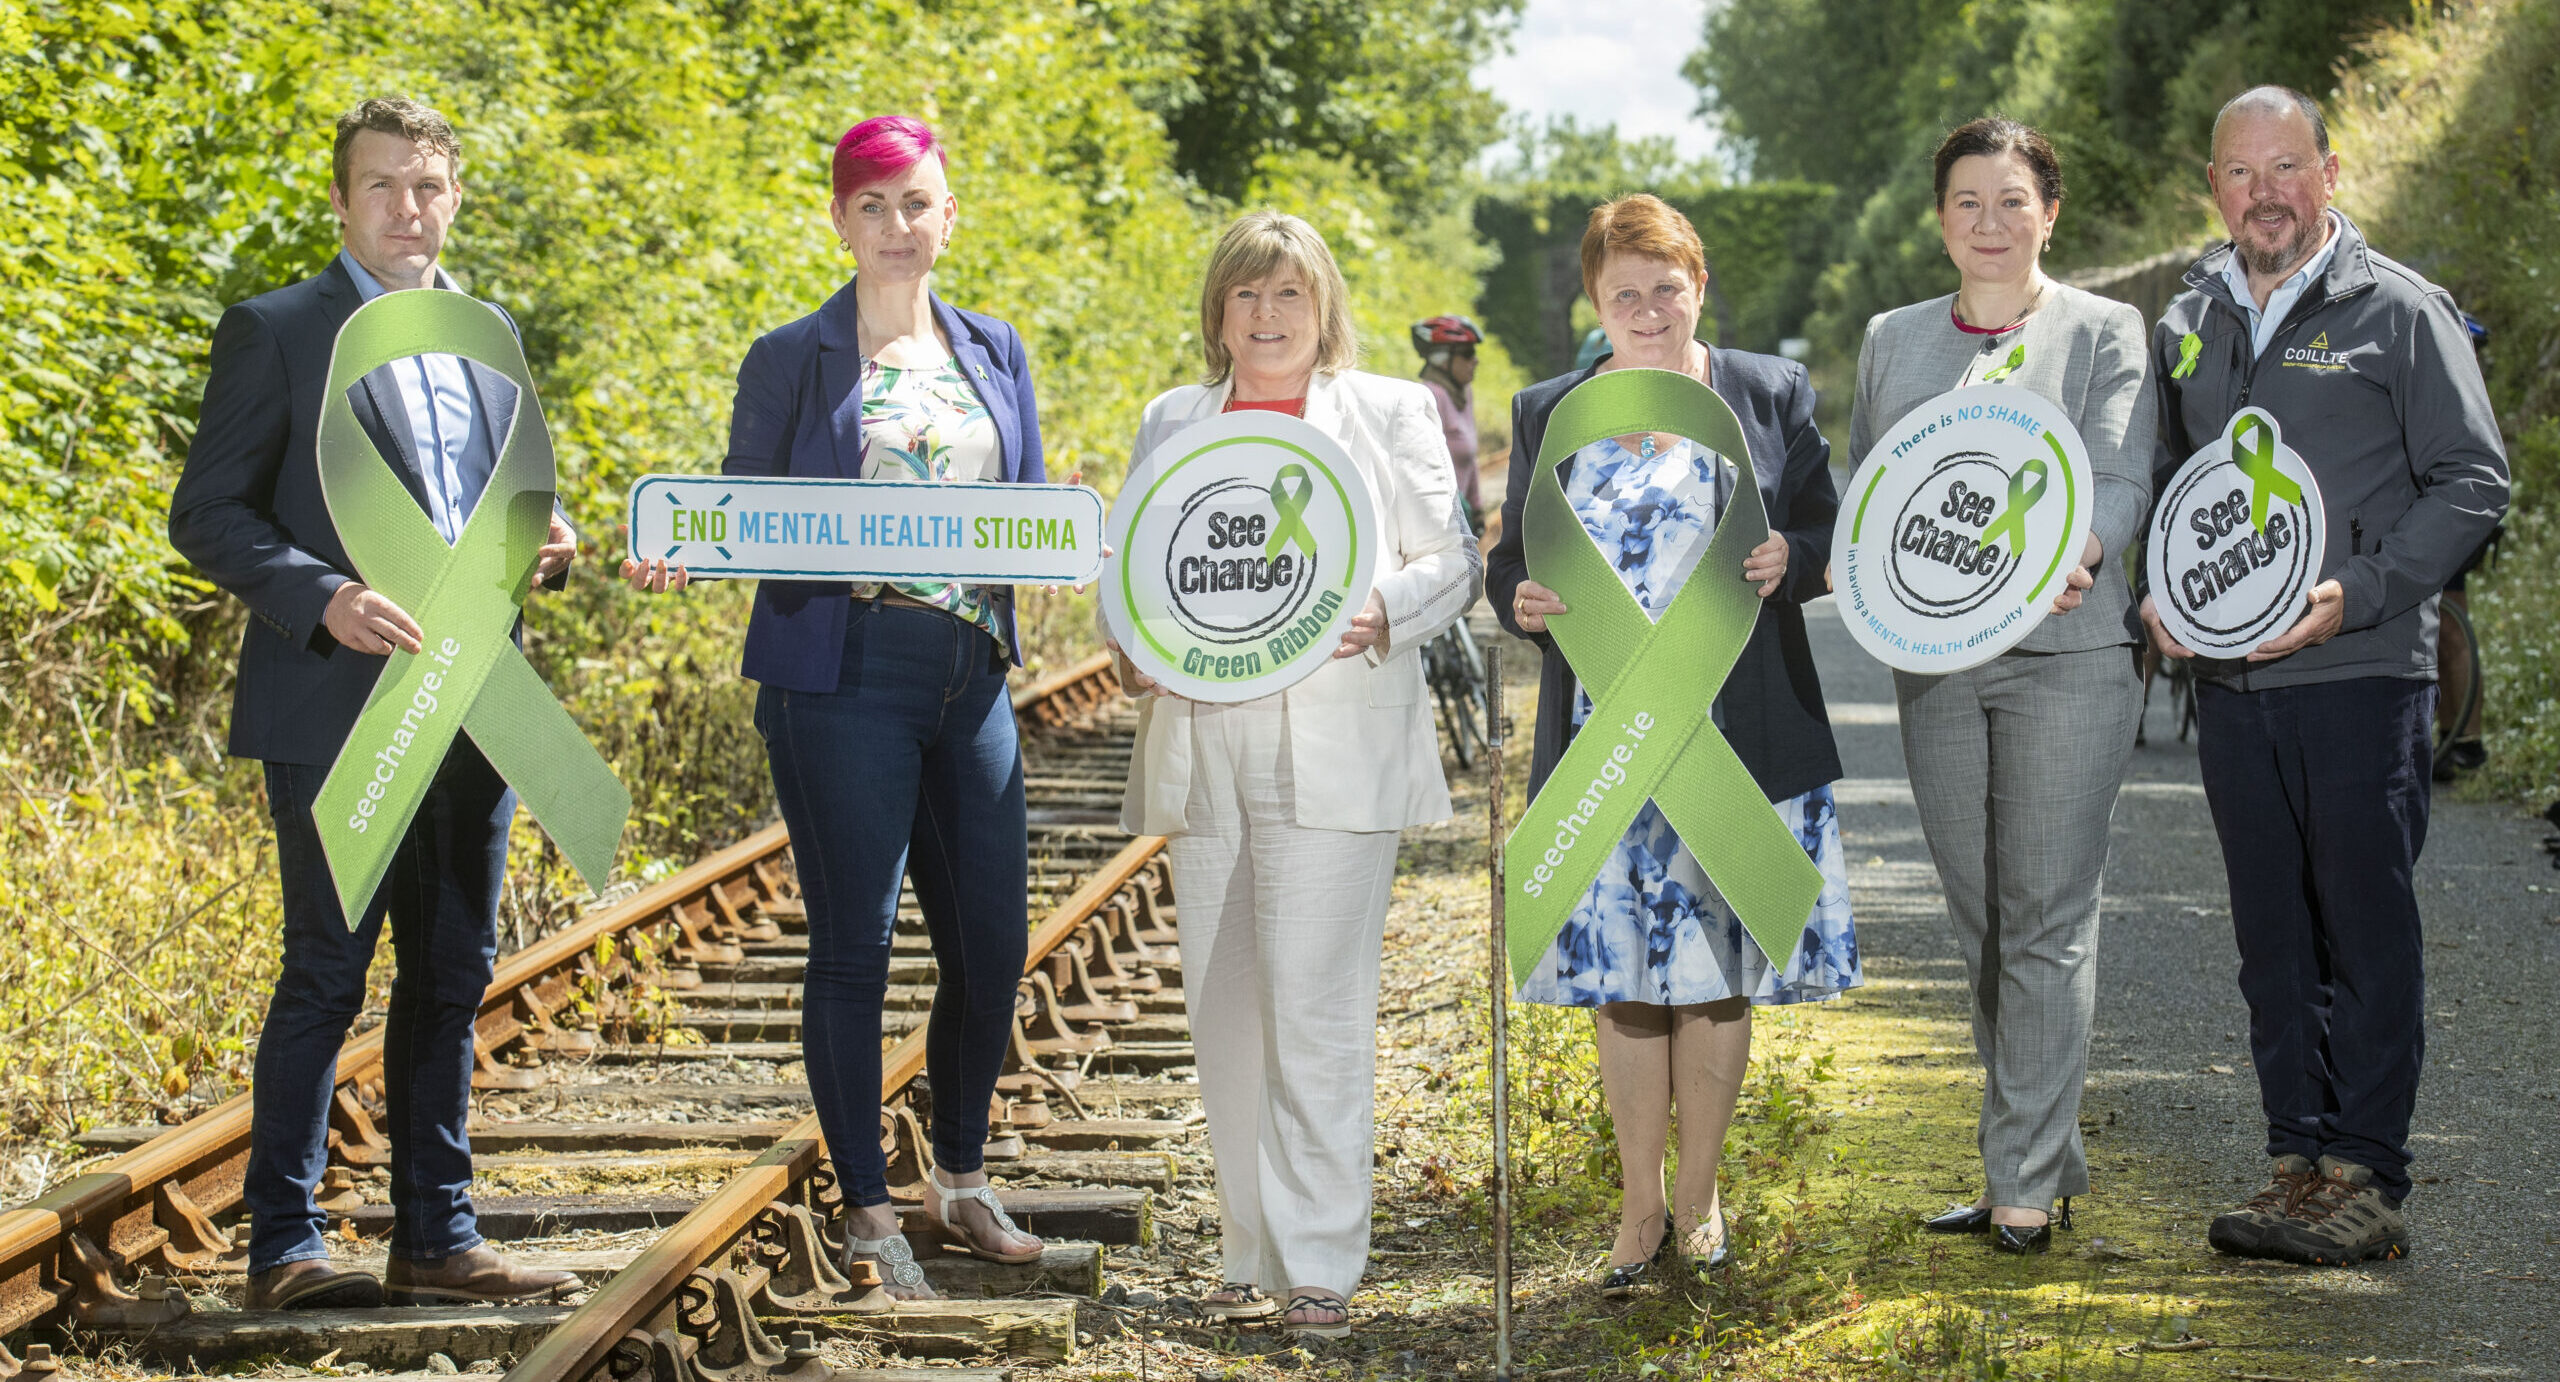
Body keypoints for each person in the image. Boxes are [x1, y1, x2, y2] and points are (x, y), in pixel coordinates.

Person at [167, 98, 583, 1310]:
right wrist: (322, 592)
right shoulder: (280, 329)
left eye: (430, 187)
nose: (411, 207)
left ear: (454, 199)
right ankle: (283, 1246)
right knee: (325, 975)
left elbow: (493, 500)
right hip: (338, 704)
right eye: (386, 185)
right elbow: (208, 512)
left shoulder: (486, 330)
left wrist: (538, 538)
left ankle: (436, 1235)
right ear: (343, 201)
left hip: (476, 703)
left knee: (454, 975)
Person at [624, 115, 1049, 1297]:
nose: (897, 226)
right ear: (839, 221)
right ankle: (868, 1206)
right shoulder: (790, 357)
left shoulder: (994, 347)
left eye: (916, 203)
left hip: (971, 672)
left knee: (992, 942)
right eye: (872, 206)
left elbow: (1027, 508)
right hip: (841, 674)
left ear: (947, 216)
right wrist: (685, 548)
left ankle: (957, 1178)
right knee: (854, 943)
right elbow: (741, 507)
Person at [2141, 86, 2508, 1267]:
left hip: (2359, 671)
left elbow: (2471, 479)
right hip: (2234, 691)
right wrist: (2157, 588)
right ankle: (2293, 1162)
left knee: (2362, 925)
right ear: (2214, 189)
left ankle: (2366, 1174)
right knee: (2271, 938)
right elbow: (2164, 481)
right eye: (2240, 173)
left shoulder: (2398, 311)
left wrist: (2359, 590)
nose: (2265, 193)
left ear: (2329, 173)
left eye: (2285, 166)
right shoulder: (2187, 313)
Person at [1108, 211, 1479, 1337]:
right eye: (1244, 297)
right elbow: (1132, 565)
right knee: (1223, 1007)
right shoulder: (1175, 419)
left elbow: (1451, 558)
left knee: (1313, 1003)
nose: (1266, 319)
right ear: (1216, 314)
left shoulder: (1386, 411)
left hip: (1335, 741)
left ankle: (1319, 1257)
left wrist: (1384, 611)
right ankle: (1248, 1246)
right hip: (1204, 738)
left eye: (1288, 297)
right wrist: (1126, 644)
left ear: (1323, 310)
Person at [1487, 193, 1860, 1293]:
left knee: (1711, 975)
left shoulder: (1767, 390)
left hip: (1734, 731)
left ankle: (1699, 1195)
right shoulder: (1547, 406)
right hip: (1604, 732)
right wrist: (1517, 596)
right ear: (1594, 303)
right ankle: (1637, 1204)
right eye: (1622, 292)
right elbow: (1509, 556)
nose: (1646, 309)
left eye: (1666, 285)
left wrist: (1790, 554)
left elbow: (1830, 535)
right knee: (1623, 978)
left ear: (1699, 284)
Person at [1847, 117, 2158, 1255]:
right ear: (1940, 220)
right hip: (1934, 667)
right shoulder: (1891, 338)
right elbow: (1866, 486)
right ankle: (2042, 1145)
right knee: (1979, 917)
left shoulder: (2101, 331)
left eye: (2011, 198)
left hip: (2067, 658)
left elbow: (2119, 476)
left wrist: (2081, 553)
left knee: (2044, 913)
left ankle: (2019, 1180)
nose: (1989, 221)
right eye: (1967, 201)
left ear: (2049, 212)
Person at [1413, 314, 1485, 526]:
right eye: (1467, 353)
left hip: (1458, 516)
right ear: (1442, 359)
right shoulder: (1432, 396)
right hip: (1436, 520)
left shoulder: (1462, 394)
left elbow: (1470, 458)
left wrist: (1477, 506)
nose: (1475, 360)